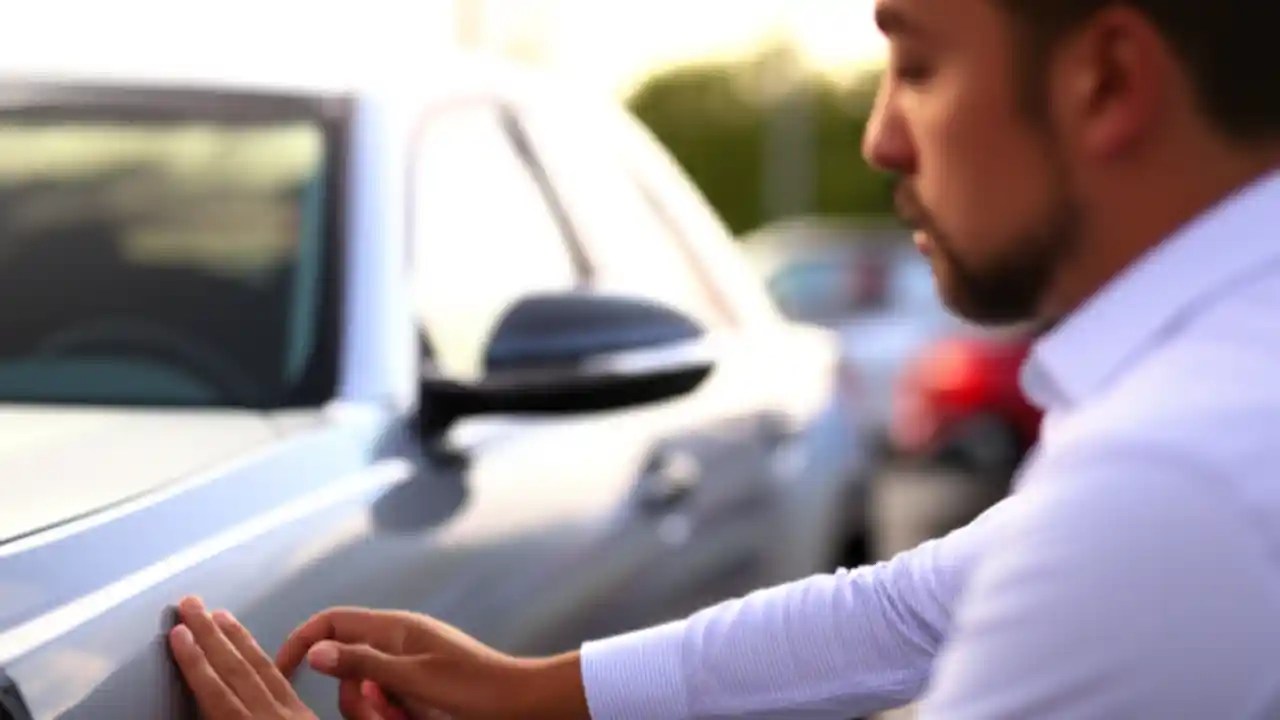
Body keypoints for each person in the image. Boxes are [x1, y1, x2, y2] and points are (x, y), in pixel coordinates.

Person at [166, 0, 1280, 716]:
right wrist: (528, 689)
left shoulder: (1171, 487)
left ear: (1107, 82)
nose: (882, 136)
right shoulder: (1222, 387)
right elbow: (913, 611)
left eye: (923, 67)